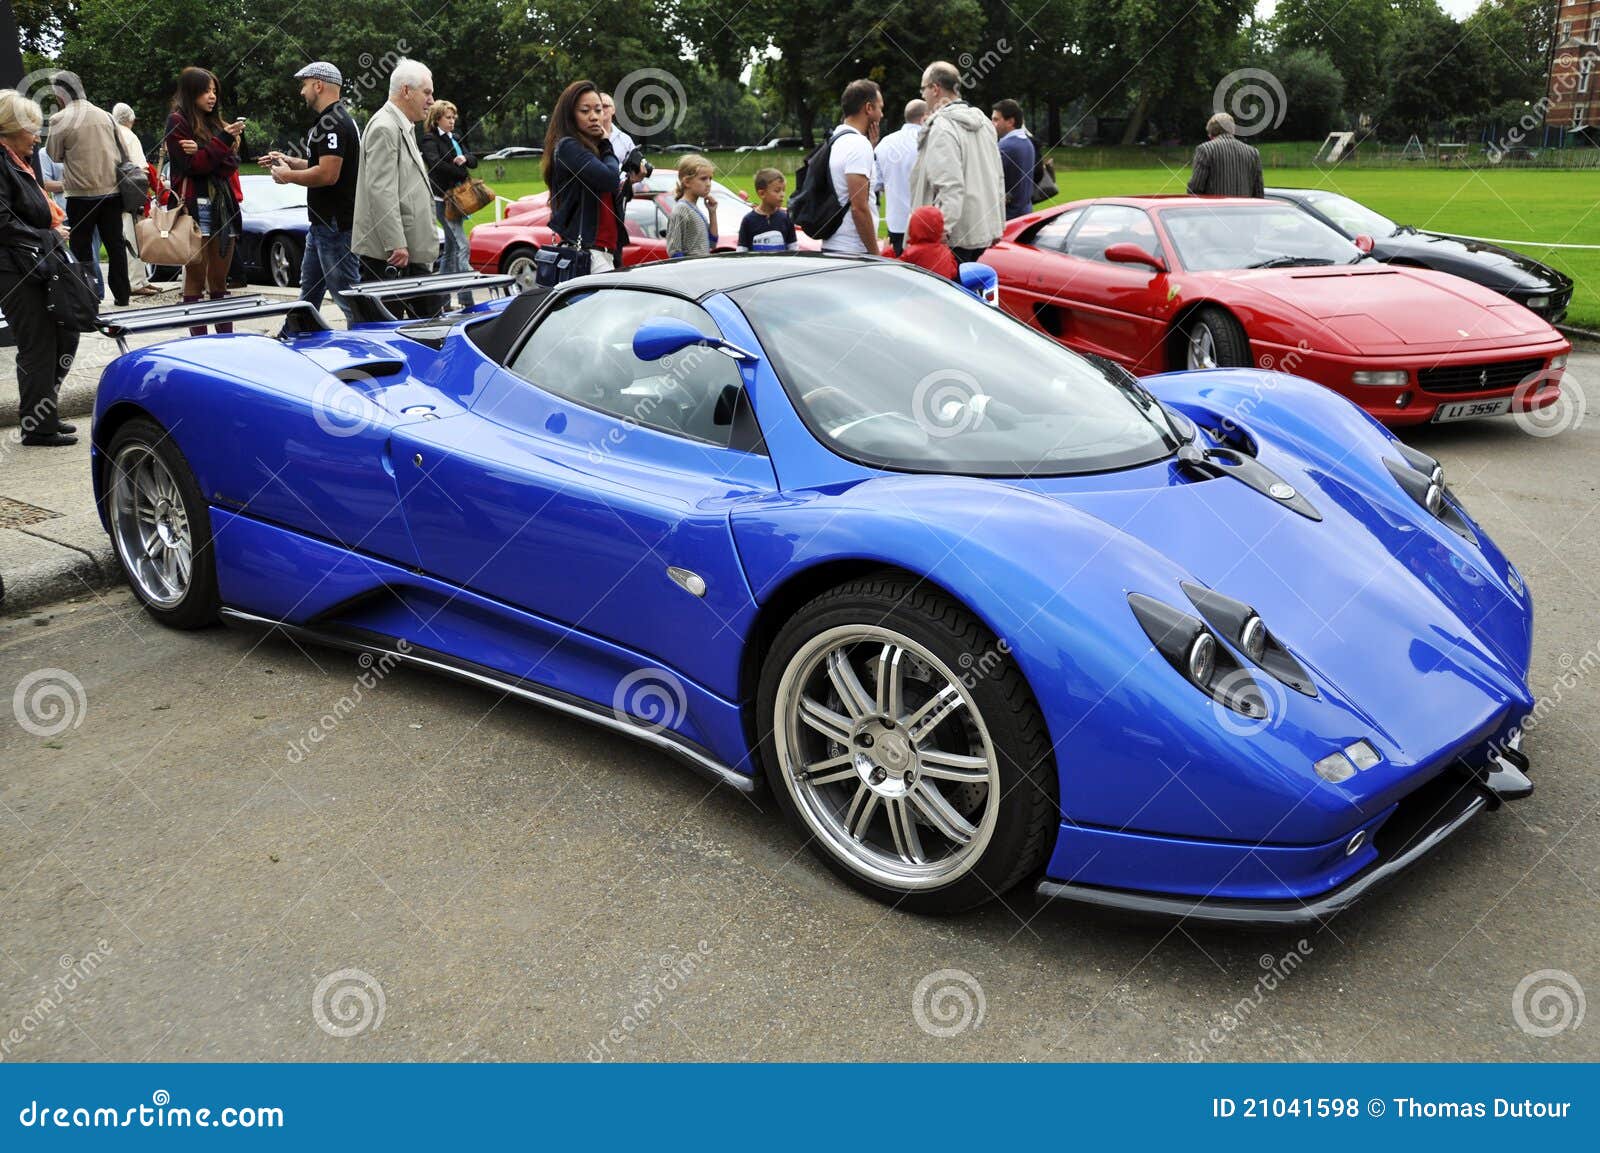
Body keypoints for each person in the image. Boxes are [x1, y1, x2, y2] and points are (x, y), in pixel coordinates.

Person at [0, 89, 80, 446]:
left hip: (31, 264)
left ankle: (42, 413)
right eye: (31, 128)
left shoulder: (16, 161)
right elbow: (2, 221)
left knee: (65, 333)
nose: (37, 136)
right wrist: (48, 235)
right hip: (13, 268)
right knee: (38, 343)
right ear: (10, 129)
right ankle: (38, 425)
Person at [259, 62, 361, 323]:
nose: (302, 92)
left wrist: (287, 176)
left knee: (348, 300)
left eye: (304, 85)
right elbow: (323, 165)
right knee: (309, 297)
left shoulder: (333, 123)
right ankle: (295, 335)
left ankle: (373, 349)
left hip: (334, 226)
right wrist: (289, 161)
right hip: (322, 226)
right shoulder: (330, 120)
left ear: (319, 85)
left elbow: (328, 174)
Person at [351, 57, 442, 314]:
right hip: (393, 258)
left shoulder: (400, 125)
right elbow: (382, 190)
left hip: (404, 254)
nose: (432, 100)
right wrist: (396, 244)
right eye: (426, 92)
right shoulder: (385, 127)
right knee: (395, 334)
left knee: (426, 330)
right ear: (406, 91)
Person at [165, 66, 245, 333]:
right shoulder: (177, 122)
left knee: (220, 281)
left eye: (214, 91)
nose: (212, 96)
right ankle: (199, 343)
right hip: (192, 210)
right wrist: (219, 143)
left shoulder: (216, 123)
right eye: (205, 91)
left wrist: (203, 149)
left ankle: (226, 341)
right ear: (191, 92)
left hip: (222, 207)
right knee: (196, 279)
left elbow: (230, 165)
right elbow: (193, 167)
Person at [44, 71, 131, 306]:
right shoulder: (105, 116)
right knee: (115, 246)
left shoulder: (59, 119)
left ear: (61, 92)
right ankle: (122, 296)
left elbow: (53, 154)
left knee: (82, 250)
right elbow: (124, 151)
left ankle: (88, 297)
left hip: (80, 194)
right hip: (112, 191)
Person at [908, 60, 1005, 264]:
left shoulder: (942, 127)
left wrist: (940, 232)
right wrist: (998, 223)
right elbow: (998, 178)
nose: (922, 95)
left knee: (945, 294)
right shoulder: (986, 124)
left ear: (935, 89)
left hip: (952, 236)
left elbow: (950, 186)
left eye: (923, 88)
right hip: (982, 230)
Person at [541, 80, 627, 272]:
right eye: (585, 111)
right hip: (588, 253)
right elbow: (610, 180)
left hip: (607, 251)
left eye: (598, 110)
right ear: (570, 115)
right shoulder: (568, 147)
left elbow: (609, 194)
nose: (594, 117)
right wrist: (606, 144)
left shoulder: (592, 151)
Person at [419, 98, 477, 302]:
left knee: (452, 249)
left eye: (454, 117)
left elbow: (473, 159)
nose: (452, 121)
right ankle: (467, 299)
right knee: (462, 245)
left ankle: (440, 300)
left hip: (458, 198)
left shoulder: (456, 137)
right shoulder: (429, 140)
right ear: (437, 119)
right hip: (442, 199)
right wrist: (460, 170)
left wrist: (465, 160)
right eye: (448, 117)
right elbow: (435, 164)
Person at [821, 78, 883, 256]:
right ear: (868, 108)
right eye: (880, 108)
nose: (882, 115)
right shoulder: (857, 144)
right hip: (852, 250)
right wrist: (875, 254)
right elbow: (859, 207)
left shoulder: (836, 139)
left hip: (833, 243)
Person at [112, 103, 159, 295]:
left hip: (115, 194)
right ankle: (136, 282)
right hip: (131, 195)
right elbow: (142, 169)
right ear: (131, 120)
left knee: (125, 238)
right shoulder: (130, 136)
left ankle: (139, 279)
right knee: (134, 238)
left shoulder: (111, 133)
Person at [875, 99, 925, 255]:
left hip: (896, 222)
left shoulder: (885, 143)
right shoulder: (931, 141)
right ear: (925, 117)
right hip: (925, 225)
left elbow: (876, 183)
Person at [1187, 112, 1264, 198]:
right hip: (1245, 209)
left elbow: (1195, 188)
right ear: (1232, 130)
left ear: (1211, 133)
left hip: (1216, 209)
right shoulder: (1253, 152)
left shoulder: (1205, 149)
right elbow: (1259, 191)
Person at [665, 154, 717, 258]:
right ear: (687, 182)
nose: (708, 184)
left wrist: (712, 212)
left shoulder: (694, 208)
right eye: (703, 179)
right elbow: (674, 250)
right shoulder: (681, 210)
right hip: (692, 271)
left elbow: (713, 242)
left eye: (710, 179)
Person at [991, 99, 1035, 221]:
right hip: (1025, 212)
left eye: (996, 119)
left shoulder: (1007, 147)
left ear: (1010, 122)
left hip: (1010, 217)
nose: (991, 123)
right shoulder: (1027, 142)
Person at [599, 91, 651, 191]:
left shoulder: (625, 140)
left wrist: (631, 181)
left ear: (613, 110)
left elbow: (633, 178)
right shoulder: (584, 137)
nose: (601, 109)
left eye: (605, 106)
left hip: (615, 197)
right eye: (598, 107)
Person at [736, 168, 797, 252]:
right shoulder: (748, 220)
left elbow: (793, 247)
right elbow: (742, 250)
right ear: (762, 194)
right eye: (777, 191)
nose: (782, 195)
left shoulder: (786, 218)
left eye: (783, 190)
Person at [898, 204, 957, 280]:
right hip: (942, 289)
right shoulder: (946, 251)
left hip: (921, 289)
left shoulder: (912, 252)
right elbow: (953, 272)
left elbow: (898, 270)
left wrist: (888, 252)